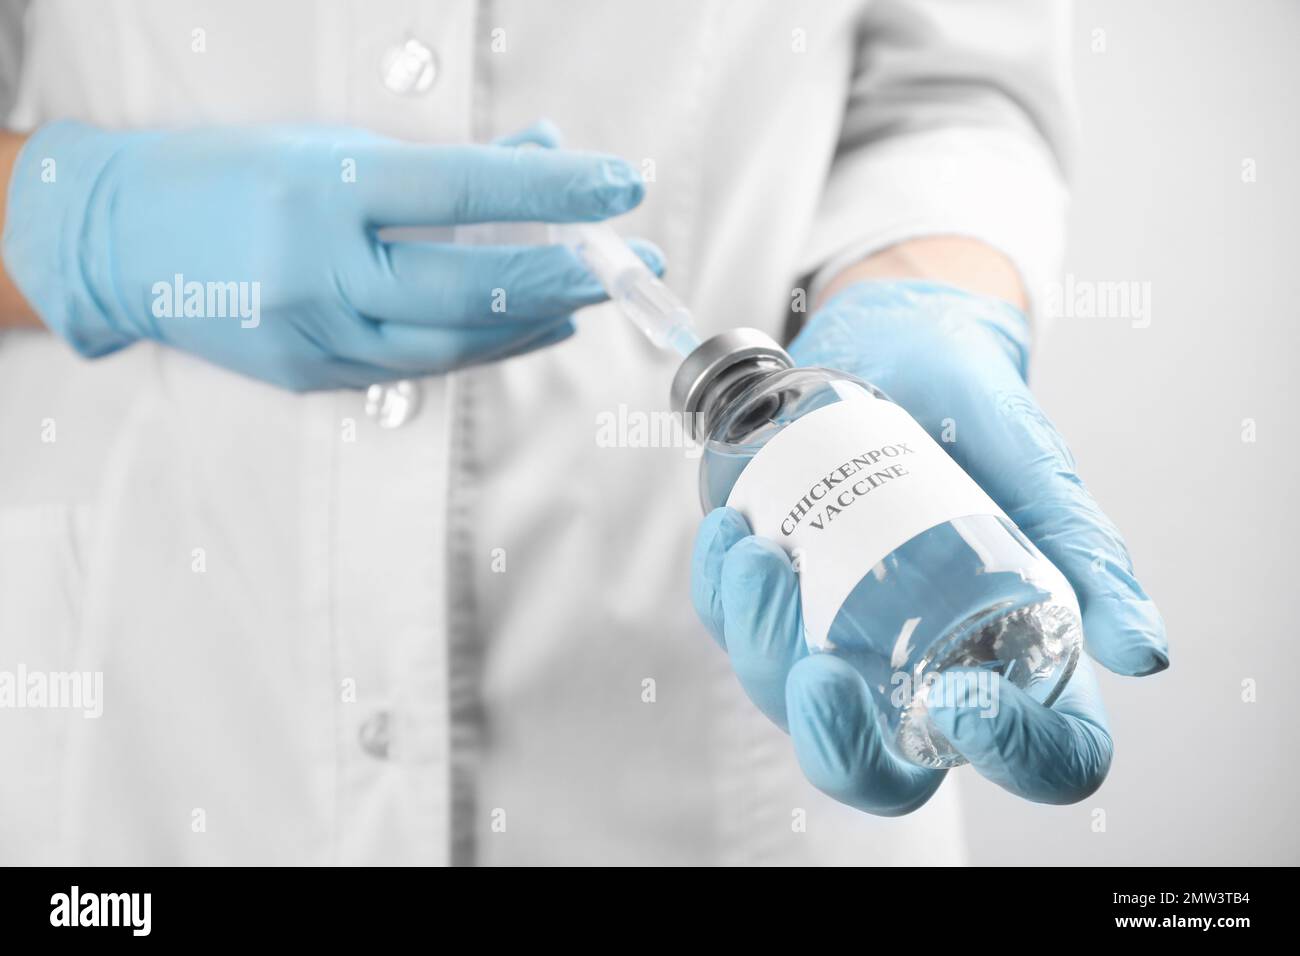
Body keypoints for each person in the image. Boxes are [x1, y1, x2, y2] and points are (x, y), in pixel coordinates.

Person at [0, 0, 1165, 865]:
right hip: (168, 729)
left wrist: (921, 299)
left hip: (708, 781)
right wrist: (92, 223)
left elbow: (949, 90)